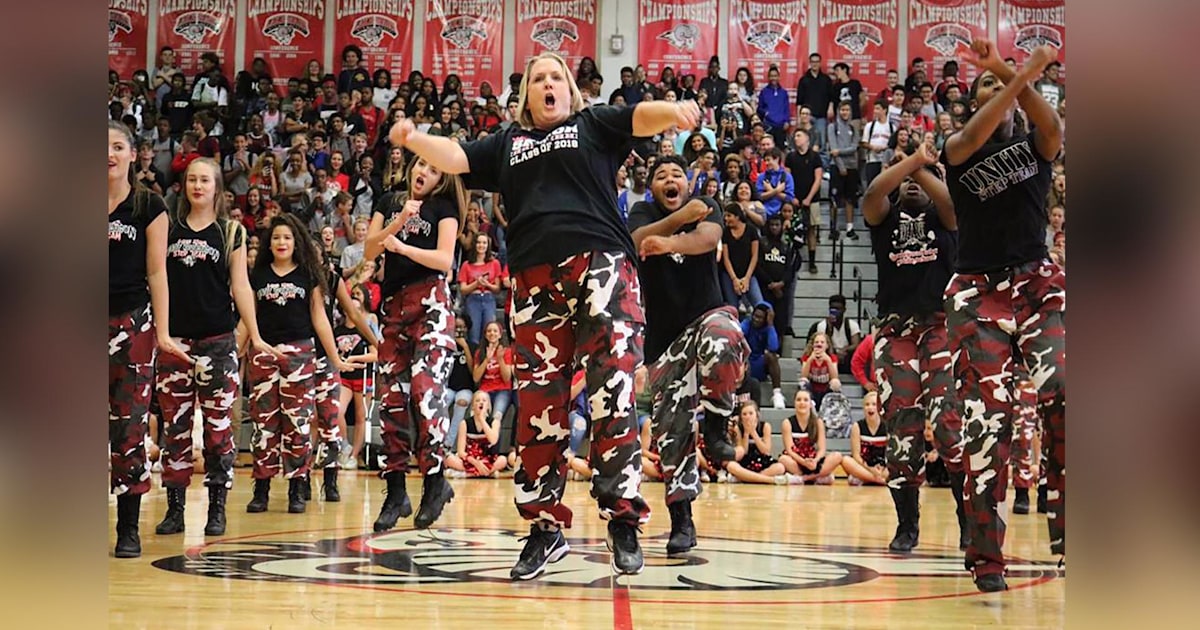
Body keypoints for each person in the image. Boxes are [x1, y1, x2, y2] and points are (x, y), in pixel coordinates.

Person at [387, 52, 700, 579]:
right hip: (533, 280)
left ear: (571, 90)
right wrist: (413, 138)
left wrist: (671, 111)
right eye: (539, 78)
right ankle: (544, 529)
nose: (549, 84)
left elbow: (639, 118)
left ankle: (623, 519)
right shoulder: (508, 141)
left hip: (603, 267)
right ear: (526, 94)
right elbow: (456, 156)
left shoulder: (592, 123)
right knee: (538, 407)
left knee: (613, 395)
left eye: (557, 76)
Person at [941, 40, 1065, 592]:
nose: (999, 90)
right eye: (986, 87)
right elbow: (969, 137)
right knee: (987, 422)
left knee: (1066, 389)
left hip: (1037, 281)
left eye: (1003, 88)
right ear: (974, 102)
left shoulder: (1035, 145)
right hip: (977, 293)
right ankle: (987, 559)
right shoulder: (959, 149)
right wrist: (1012, 74)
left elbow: (1054, 127)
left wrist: (1012, 75)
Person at [627, 154, 749, 556]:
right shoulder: (642, 210)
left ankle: (716, 422)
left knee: (725, 336)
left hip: (707, 316)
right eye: (660, 175)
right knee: (671, 433)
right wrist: (674, 224)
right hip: (663, 342)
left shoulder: (707, 205)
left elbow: (709, 239)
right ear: (652, 187)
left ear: (688, 181)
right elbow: (637, 240)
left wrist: (669, 241)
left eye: (677, 174)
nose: (669, 179)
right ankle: (682, 519)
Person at [155, 158, 275, 538]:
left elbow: (241, 286)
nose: (197, 185)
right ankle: (174, 508)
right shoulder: (168, 228)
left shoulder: (231, 231)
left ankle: (217, 507)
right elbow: (155, 277)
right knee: (175, 428)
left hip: (218, 341)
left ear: (218, 188)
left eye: (205, 179)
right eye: (191, 179)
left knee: (219, 430)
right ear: (183, 186)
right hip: (175, 342)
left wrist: (253, 334)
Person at [862, 142, 968, 554]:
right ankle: (907, 524)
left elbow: (953, 204)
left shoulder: (943, 218)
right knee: (903, 431)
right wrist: (913, 162)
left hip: (940, 328)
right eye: (902, 180)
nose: (910, 184)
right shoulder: (884, 218)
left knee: (949, 425)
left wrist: (922, 167)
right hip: (896, 332)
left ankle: (966, 517)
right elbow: (873, 195)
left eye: (918, 181)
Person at [363, 155, 467, 532]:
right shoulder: (390, 201)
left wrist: (404, 248)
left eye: (434, 169)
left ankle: (435, 481)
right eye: (421, 164)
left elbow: (444, 260)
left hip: (433, 303)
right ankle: (395, 490)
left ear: (441, 178)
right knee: (390, 399)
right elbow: (370, 250)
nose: (424, 172)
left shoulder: (445, 207)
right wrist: (400, 220)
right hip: (393, 306)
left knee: (425, 393)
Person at [108, 121, 188, 558]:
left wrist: (163, 330)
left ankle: (127, 528)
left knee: (129, 428)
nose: (109, 154)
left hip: (131, 325)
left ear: (134, 154)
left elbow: (158, 272)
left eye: (118, 146)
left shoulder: (149, 205)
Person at [245, 215, 357, 514]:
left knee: (298, 424)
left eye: (287, 238)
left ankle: (297, 485)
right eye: (277, 238)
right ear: (269, 243)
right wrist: (235, 350)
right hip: (265, 354)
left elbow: (320, 319)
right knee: (264, 424)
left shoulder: (307, 275)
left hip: (300, 353)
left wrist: (334, 358)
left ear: (297, 243)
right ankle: (262, 487)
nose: (281, 242)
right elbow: (248, 319)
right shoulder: (257, 276)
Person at [741, 303, 784, 409]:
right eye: (755, 316)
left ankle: (777, 394)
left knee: (772, 356)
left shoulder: (768, 328)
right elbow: (738, 334)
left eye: (760, 317)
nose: (756, 319)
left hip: (758, 364)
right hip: (744, 364)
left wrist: (770, 325)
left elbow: (773, 347)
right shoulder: (747, 323)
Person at [841, 392, 888, 485]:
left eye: (874, 404)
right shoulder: (857, 426)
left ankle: (865, 478)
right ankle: (877, 480)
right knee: (845, 460)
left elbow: (890, 454)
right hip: (864, 466)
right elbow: (856, 456)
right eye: (867, 404)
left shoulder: (887, 426)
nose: (870, 407)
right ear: (863, 408)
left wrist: (883, 468)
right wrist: (870, 469)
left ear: (880, 408)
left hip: (882, 467)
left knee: (896, 468)